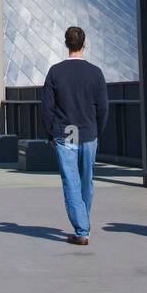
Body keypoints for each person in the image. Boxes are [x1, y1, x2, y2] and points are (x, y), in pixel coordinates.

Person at [41, 25, 108, 246]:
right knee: (86, 180)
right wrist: (98, 129)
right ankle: (83, 225)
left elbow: (47, 108)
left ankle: (82, 228)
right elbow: (103, 108)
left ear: (66, 43)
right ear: (84, 44)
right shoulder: (95, 72)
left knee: (71, 181)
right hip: (89, 132)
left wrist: (50, 133)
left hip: (67, 132)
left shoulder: (55, 72)